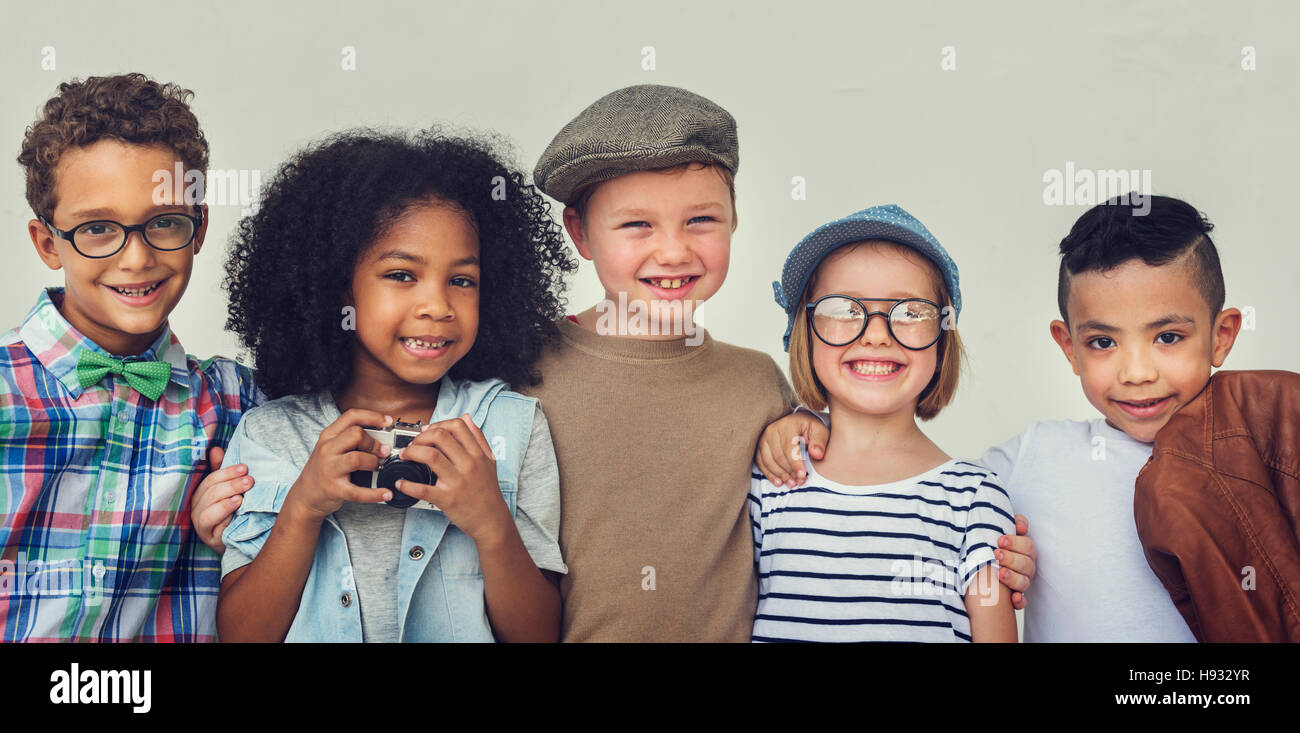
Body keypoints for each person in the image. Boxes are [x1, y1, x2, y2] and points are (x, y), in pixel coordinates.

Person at [524, 84, 1032, 641]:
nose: (673, 251)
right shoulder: (525, 373)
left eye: (700, 220)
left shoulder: (758, 384)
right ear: (580, 233)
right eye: (637, 224)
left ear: (735, 220)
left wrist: (801, 422)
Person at [759, 194, 1248, 642]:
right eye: (1103, 342)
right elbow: (908, 489)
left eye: (1168, 337)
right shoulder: (1032, 460)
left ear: (1221, 335)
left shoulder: (1265, 452)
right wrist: (803, 420)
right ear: (1069, 347)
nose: (1137, 373)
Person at [214, 130, 573, 642]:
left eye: (462, 280)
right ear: (339, 286)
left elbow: (538, 636)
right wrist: (303, 506)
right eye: (403, 275)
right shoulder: (269, 433)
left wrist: (492, 524)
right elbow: (242, 636)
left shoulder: (513, 427)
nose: (437, 305)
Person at [0, 73, 261, 642]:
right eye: (97, 229)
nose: (137, 258)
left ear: (199, 229)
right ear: (48, 244)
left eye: (164, 222)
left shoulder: (241, 404)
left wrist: (246, 533)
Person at [752, 205, 1016, 642]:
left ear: (942, 339)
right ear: (805, 330)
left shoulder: (974, 499)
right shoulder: (770, 479)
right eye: (843, 309)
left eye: (911, 312)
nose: (877, 333)